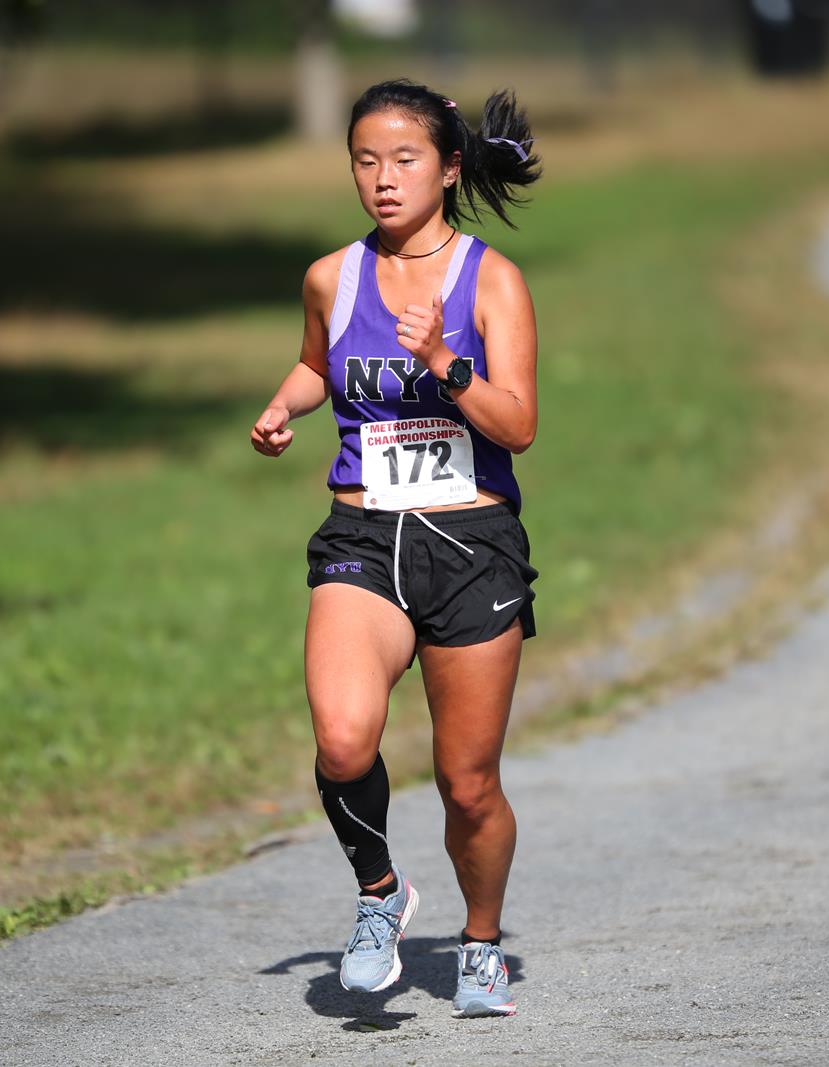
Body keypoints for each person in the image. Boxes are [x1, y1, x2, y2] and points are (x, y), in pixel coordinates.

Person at [249, 79, 540, 1018]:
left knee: (467, 784)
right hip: (364, 534)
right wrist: (283, 404)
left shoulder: (489, 280)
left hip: (472, 542)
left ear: (450, 168)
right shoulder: (333, 277)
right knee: (341, 738)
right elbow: (315, 361)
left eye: (405, 159)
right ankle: (380, 894)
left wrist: (447, 365)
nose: (383, 179)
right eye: (365, 161)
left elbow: (520, 423)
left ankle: (482, 941)